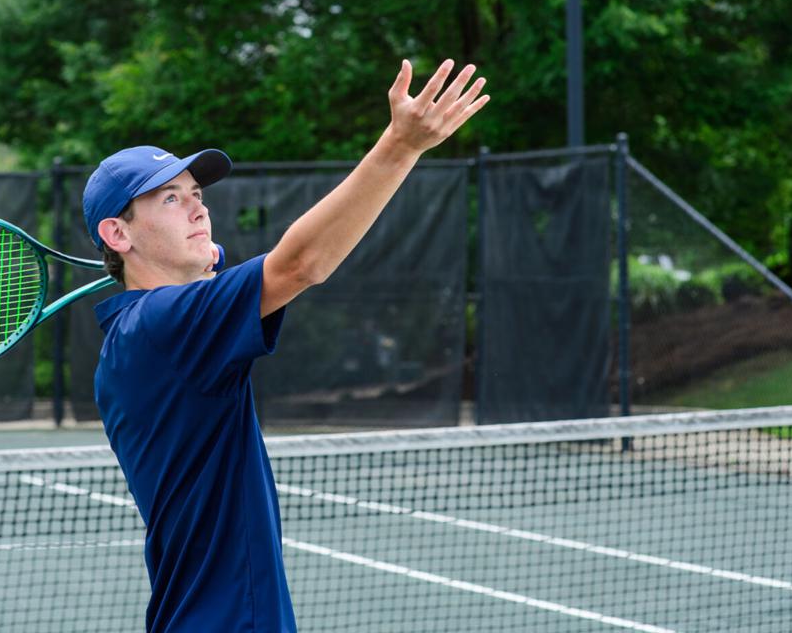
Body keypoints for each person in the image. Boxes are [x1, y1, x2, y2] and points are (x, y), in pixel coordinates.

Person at [82, 58, 489, 632]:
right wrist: (400, 146)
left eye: (196, 192)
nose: (199, 207)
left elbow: (214, 265)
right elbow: (300, 264)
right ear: (117, 234)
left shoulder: (136, 332)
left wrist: (198, 254)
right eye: (170, 199)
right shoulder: (165, 326)